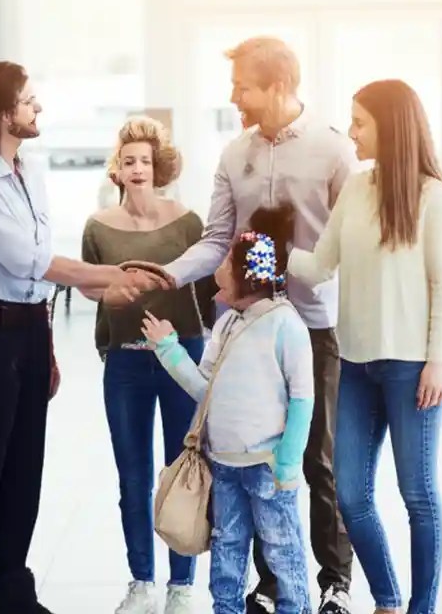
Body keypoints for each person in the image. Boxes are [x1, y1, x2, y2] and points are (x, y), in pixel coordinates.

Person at [108, 36, 357, 614]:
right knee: (248, 454)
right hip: (243, 328)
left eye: (243, 85)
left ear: (277, 85)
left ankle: (334, 583)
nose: (234, 96)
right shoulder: (233, 154)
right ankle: (270, 587)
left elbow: (351, 244)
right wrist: (168, 274)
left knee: (312, 455)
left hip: (309, 324)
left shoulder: (331, 151)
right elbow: (218, 239)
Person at [0, 61, 168, 614]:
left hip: (25, 332)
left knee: (24, 469)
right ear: (1, 112)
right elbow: (28, 259)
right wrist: (108, 275)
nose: (37, 109)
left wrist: (47, 342)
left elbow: (37, 271)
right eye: (28, 101)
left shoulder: (30, 171)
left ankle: (15, 595)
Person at [287, 79, 442, 614]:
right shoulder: (357, 188)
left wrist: (436, 361)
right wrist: (266, 250)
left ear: (391, 126)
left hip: (413, 370)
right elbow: (318, 266)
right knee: (352, 496)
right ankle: (386, 600)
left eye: (359, 121)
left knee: (418, 496)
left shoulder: (433, 196)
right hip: (355, 364)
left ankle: (420, 607)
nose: (351, 131)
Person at [141, 205, 314, 614]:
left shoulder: (286, 325)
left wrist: (287, 465)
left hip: (267, 466)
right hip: (224, 464)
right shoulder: (226, 325)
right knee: (227, 549)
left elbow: (303, 399)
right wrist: (168, 349)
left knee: (283, 552)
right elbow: (205, 389)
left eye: (224, 261)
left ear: (243, 275)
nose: (217, 266)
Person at [79, 116, 205, 614]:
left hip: (182, 360)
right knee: (131, 475)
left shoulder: (188, 220)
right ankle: (142, 584)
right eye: (128, 161)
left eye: (145, 161)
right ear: (117, 169)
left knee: (182, 470)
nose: (137, 169)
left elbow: (208, 287)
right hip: (126, 364)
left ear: (160, 168)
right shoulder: (98, 226)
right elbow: (88, 284)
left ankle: (181, 587)